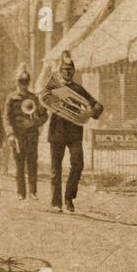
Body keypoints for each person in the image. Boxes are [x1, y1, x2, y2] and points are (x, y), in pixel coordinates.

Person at [45, 51, 102, 213]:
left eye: (70, 70)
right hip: (56, 132)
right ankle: (56, 203)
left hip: (74, 133)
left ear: (74, 71)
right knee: (56, 169)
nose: (68, 73)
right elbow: (42, 100)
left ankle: (69, 198)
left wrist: (92, 110)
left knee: (78, 164)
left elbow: (97, 105)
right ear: (60, 71)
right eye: (64, 70)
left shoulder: (79, 89)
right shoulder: (53, 87)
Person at [4, 66, 44, 200]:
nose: (23, 85)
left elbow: (44, 115)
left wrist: (34, 122)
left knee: (32, 164)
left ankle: (33, 192)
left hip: (31, 136)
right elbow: (7, 119)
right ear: (17, 82)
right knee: (19, 165)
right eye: (21, 82)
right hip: (18, 136)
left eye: (26, 82)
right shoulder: (11, 98)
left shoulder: (34, 98)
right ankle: (21, 193)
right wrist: (10, 135)